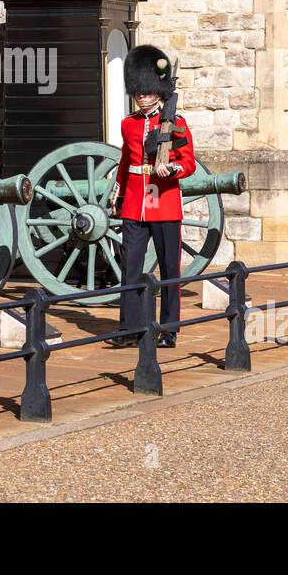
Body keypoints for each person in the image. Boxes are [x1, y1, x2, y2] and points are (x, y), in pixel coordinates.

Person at [109, 44, 196, 349]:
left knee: (169, 267)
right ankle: (129, 328)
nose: (142, 96)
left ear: (158, 91)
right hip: (135, 204)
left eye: (147, 91)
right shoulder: (129, 124)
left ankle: (169, 328)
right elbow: (125, 161)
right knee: (130, 268)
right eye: (138, 91)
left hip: (164, 203)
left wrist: (170, 169)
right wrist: (118, 191)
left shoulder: (175, 123)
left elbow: (188, 162)